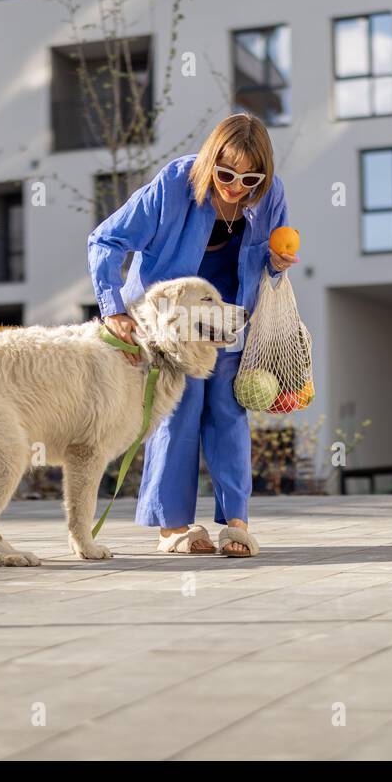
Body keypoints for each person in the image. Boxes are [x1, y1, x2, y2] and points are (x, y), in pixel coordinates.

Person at [87, 114, 297, 557]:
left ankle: (237, 523)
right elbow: (105, 241)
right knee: (178, 414)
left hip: (230, 322)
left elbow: (266, 264)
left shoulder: (271, 195)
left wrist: (276, 265)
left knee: (229, 412)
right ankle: (174, 527)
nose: (235, 186)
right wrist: (114, 311)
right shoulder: (174, 184)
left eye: (249, 178)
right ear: (210, 161)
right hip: (172, 327)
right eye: (225, 173)